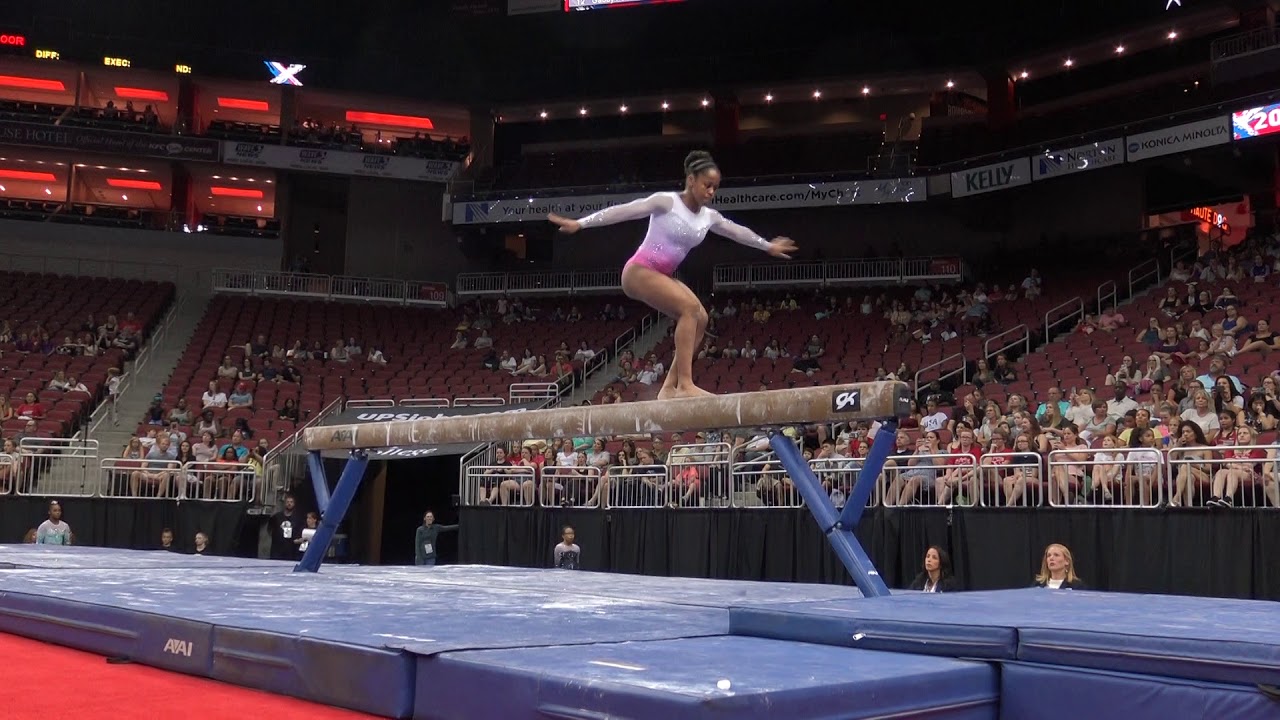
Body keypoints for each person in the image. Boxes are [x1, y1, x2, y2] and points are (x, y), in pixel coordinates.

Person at [548, 151, 796, 399]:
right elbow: (625, 211)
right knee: (689, 308)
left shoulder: (710, 217)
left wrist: (767, 246)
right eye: (707, 185)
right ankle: (686, 385)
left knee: (701, 317)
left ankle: (668, 388)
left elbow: (738, 232)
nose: (711, 192)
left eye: (715, 188)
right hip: (639, 271)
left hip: (662, 275)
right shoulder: (666, 202)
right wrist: (581, 223)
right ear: (691, 180)